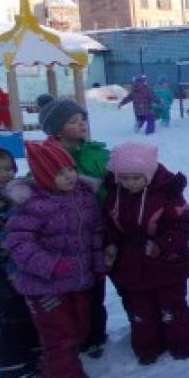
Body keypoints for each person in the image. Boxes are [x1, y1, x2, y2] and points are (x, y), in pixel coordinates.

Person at [3, 140, 105, 378]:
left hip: (79, 279)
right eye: (60, 173)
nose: (69, 176)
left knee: (80, 326)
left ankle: (57, 364)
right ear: (44, 176)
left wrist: (100, 261)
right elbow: (18, 243)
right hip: (45, 286)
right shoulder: (32, 205)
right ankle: (65, 377)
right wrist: (51, 264)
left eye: (70, 169)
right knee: (59, 332)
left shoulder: (83, 196)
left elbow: (95, 232)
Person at [102, 142, 189, 364]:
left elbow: (184, 224)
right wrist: (110, 244)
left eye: (136, 178)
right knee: (140, 308)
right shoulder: (115, 194)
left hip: (165, 262)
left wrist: (163, 244)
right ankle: (148, 346)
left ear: (148, 173)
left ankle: (184, 343)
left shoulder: (167, 193)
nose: (130, 183)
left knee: (172, 306)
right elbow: (108, 224)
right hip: (131, 262)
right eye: (125, 178)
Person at [35, 95, 111, 358]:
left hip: (99, 226)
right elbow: (36, 187)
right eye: (73, 121)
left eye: (82, 119)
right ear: (56, 129)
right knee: (72, 292)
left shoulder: (97, 152)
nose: (81, 124)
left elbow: (113, 179)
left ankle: (95, 336)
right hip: (64, 234)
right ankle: (75, 337)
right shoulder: (48, 157)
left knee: (96, 283)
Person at [0, 146, 39, 378]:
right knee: (10, 317)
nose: (3, 174)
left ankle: (33, 353)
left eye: (7, 168)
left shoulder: (14, 192)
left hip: (20, 269)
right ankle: (11, 367)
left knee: (27, 312)